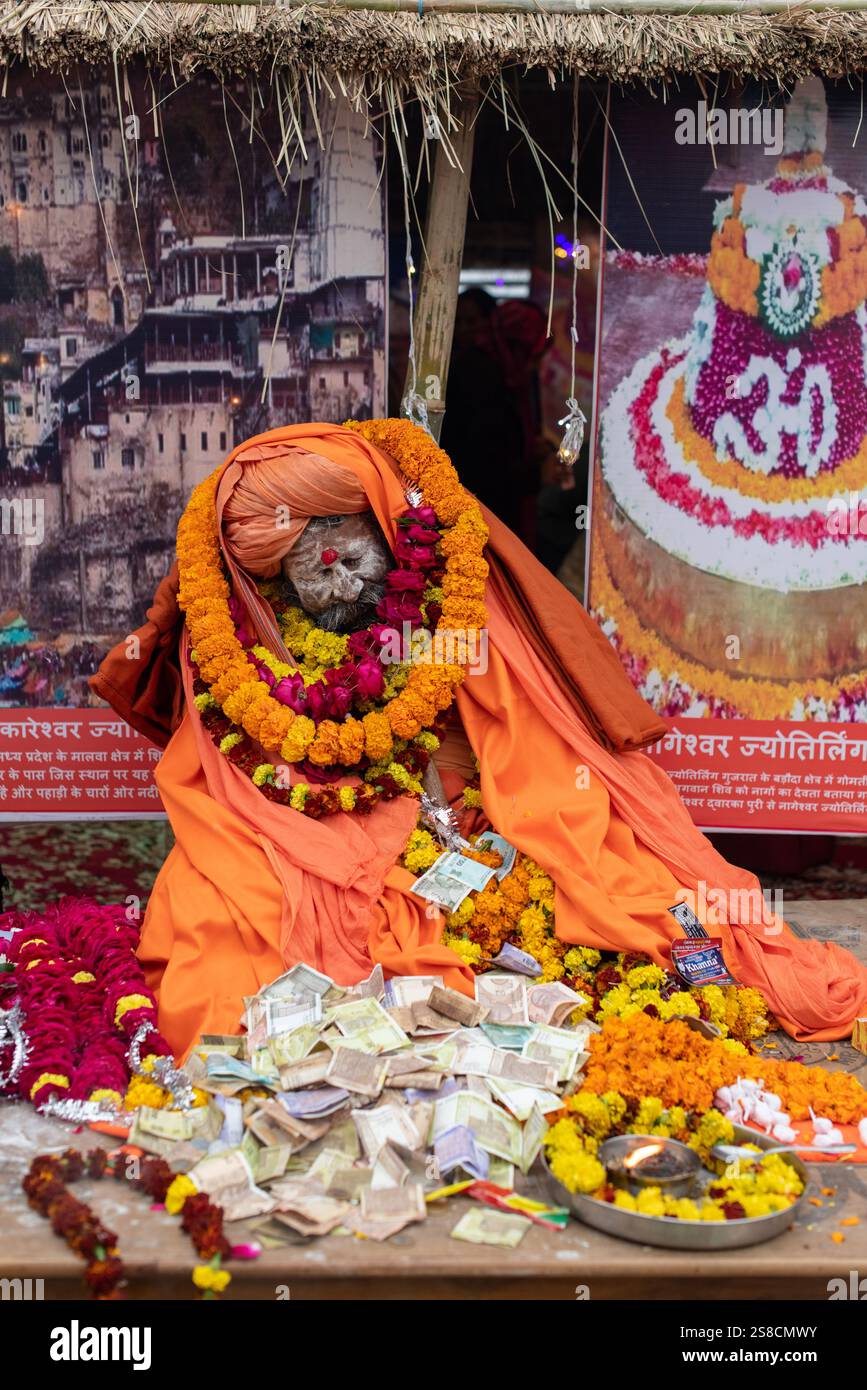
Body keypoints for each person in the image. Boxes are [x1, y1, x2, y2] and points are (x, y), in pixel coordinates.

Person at [92, 421, 867, 1058]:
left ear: (386, 529)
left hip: (466, 811)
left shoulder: (450, 593)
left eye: (344, 539)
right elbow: (232, 765)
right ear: (260, 576)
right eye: (305, 556)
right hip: (305, 812)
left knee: (590, 873)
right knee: (230, 912)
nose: (333, 568)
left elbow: (522, 731)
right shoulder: (229, 634)